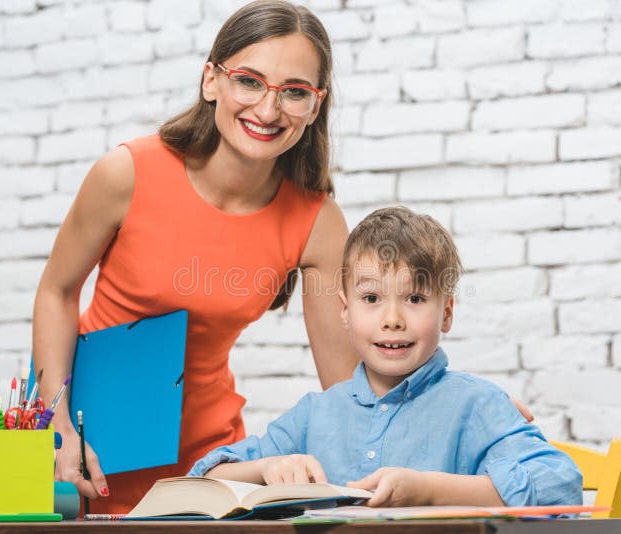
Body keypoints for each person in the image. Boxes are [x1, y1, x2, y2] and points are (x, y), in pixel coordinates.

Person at [32, 0, 359, 514]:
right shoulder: (127, 173)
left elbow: (346, 385)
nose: (268, 111)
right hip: (90, 449)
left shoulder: (316, 219)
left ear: (315, 106)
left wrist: (452, 410)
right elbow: (57, 290)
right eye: (249, 81)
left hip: (214, 464)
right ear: (212, 80)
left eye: (294, 92)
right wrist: (54, 428)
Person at [190, 206, 582, 508]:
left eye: (414, 298)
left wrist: (429, 490)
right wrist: (263, 469)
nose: (392, 320)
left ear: (446, 312)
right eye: (372, 299)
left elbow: (559, 485)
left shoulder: (476, 405)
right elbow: (201, 482)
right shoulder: (315, 415)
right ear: (345, 310)